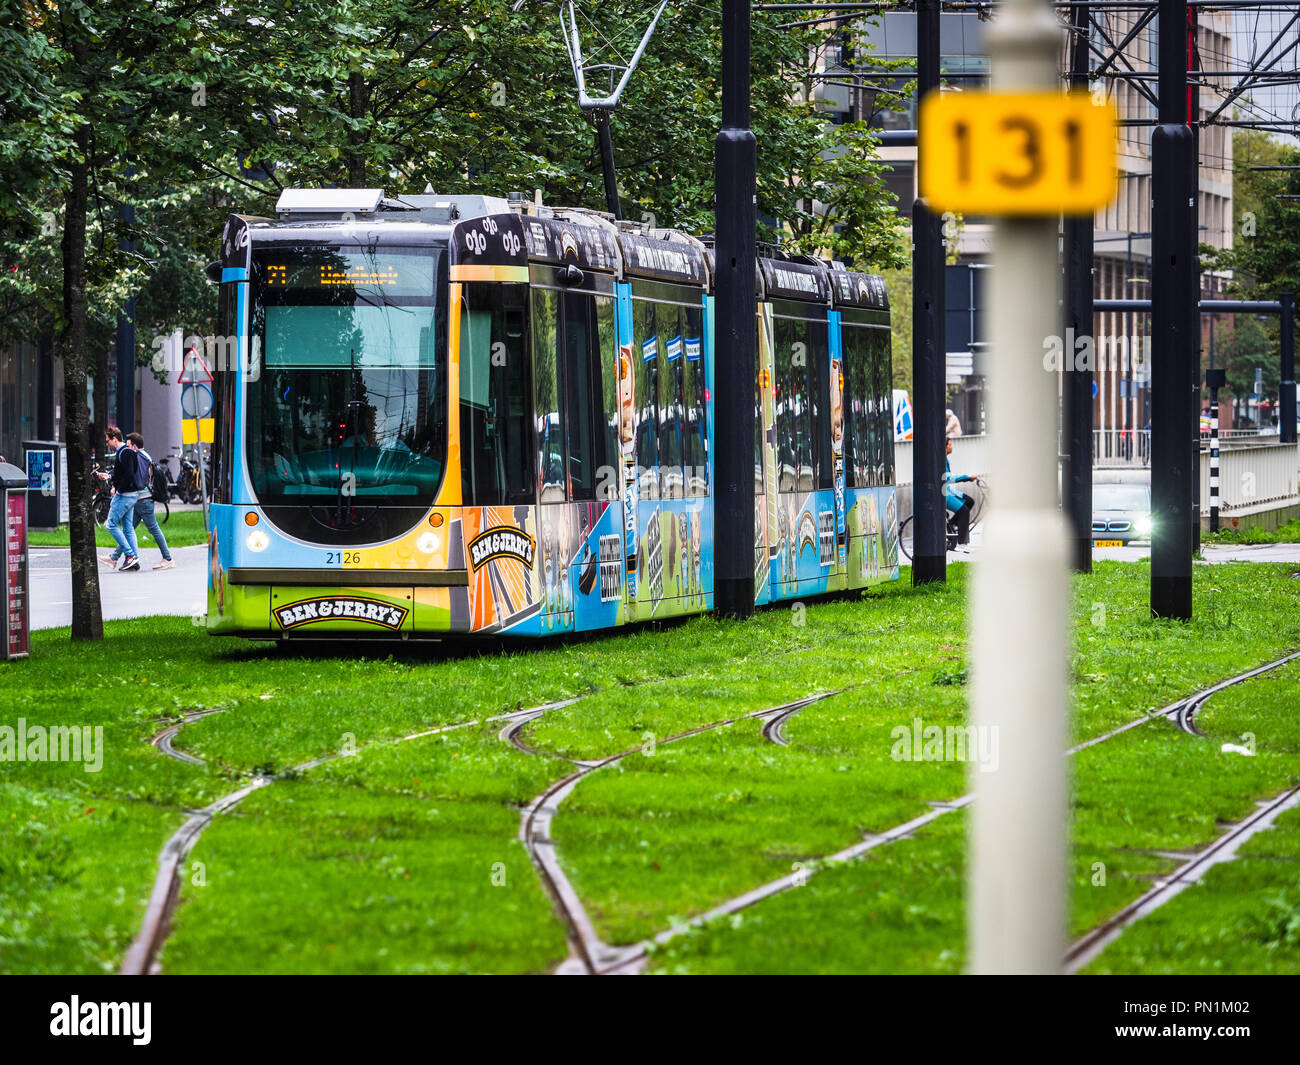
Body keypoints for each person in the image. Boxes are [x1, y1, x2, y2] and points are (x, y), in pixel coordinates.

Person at [104, 432, 174, 570]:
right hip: (140, 498)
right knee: (128, 529)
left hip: (142, 499)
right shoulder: (144, 455)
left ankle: (168, 558)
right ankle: (118, 558)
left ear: (134, 446)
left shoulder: (140, 456)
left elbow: (137, 478)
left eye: (129, 444)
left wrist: (123, 487)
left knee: (151, 528)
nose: (127, 447)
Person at [98, 427, 147, 572]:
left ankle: (130, 556)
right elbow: (124, 473)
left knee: (111, 524)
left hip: (125, 495)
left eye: (107, 440)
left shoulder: (124, 452)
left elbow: (129, 476)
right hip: (132, 495)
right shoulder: (124, 452)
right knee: (128, 528)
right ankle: (134, 561)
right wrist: (110, 477)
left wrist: (118, 488)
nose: (107, 443)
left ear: (114, 438)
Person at [943, 437, 976, 545]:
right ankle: (962, 543)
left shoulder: (945, 459)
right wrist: (966, 477)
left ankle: (952, 524)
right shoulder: (941, 459)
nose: (951, 447)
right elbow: (949, 478)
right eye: (950, 444)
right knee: (964, 511)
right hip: (943, 493)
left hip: (947, 490)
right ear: (945, 447)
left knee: (969, 501)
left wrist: (967, 478)